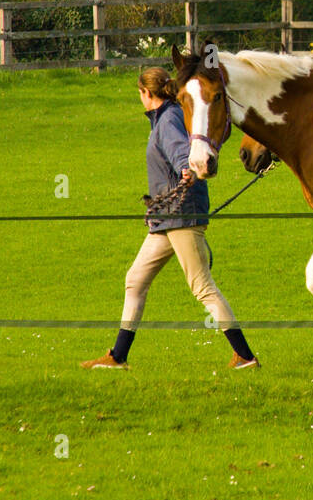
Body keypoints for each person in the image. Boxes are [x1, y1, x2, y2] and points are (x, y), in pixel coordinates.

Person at [82, 66, 258, 370]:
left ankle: (244, 356)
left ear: (145, 93)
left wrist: (184, 168)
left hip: (181, 216)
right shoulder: (167, 117)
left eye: (139, 93)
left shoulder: (167, 120)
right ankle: (118, 357)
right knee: (135, 280)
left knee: (202, 287)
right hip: (167, 219)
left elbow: (180, 155)